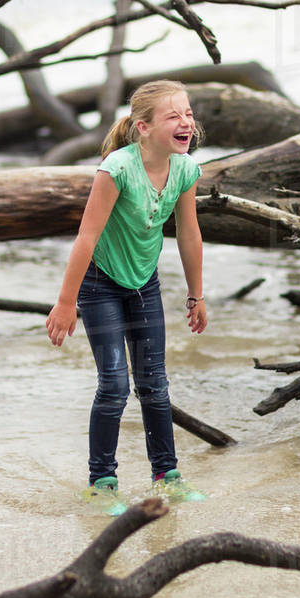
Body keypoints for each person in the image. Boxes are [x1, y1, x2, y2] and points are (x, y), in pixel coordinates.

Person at [46, 80, 207, 503]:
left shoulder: (186, 169)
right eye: (174, 116)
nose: (186, 122)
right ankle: (101, 482)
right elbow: (86, 237)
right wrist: (66, 303)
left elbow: (189, 234)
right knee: (115, 384)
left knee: (154, 383)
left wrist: (197, 295)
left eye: (188, 113)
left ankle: (167, 475)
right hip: (99, 285)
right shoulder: (116, 169)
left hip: (144, 283)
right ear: (143, 128)